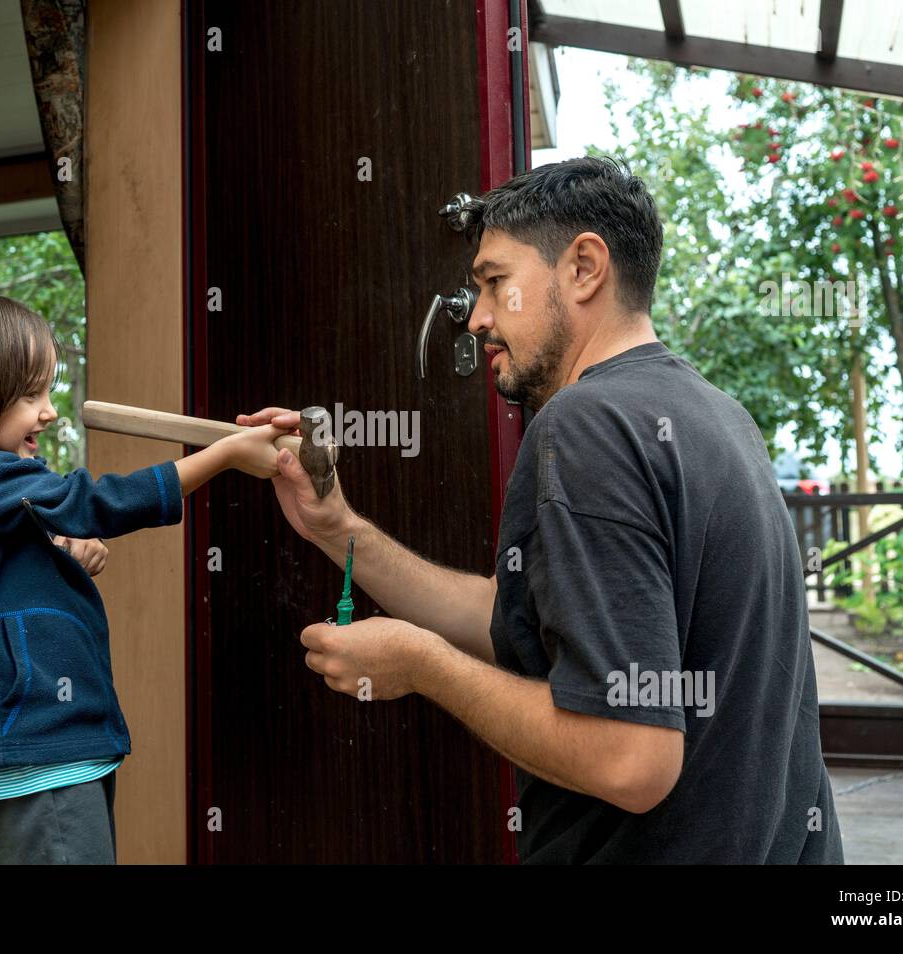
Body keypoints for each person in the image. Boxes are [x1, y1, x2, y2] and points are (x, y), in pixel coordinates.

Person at [240, 156, 844, 864]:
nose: (479, 321)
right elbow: (522, 615)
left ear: (585, 267)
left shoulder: (587, 423)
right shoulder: (717, 415)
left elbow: (631, 757)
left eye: (495, 282)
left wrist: (420, 664)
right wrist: (336, 527)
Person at [0, 290, 291, 864]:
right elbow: (90, 501)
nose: (48, 411)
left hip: (39, 750)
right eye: (28, 394)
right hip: (36, 757)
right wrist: (225, 455)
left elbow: (5, 565)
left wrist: (61, 549)